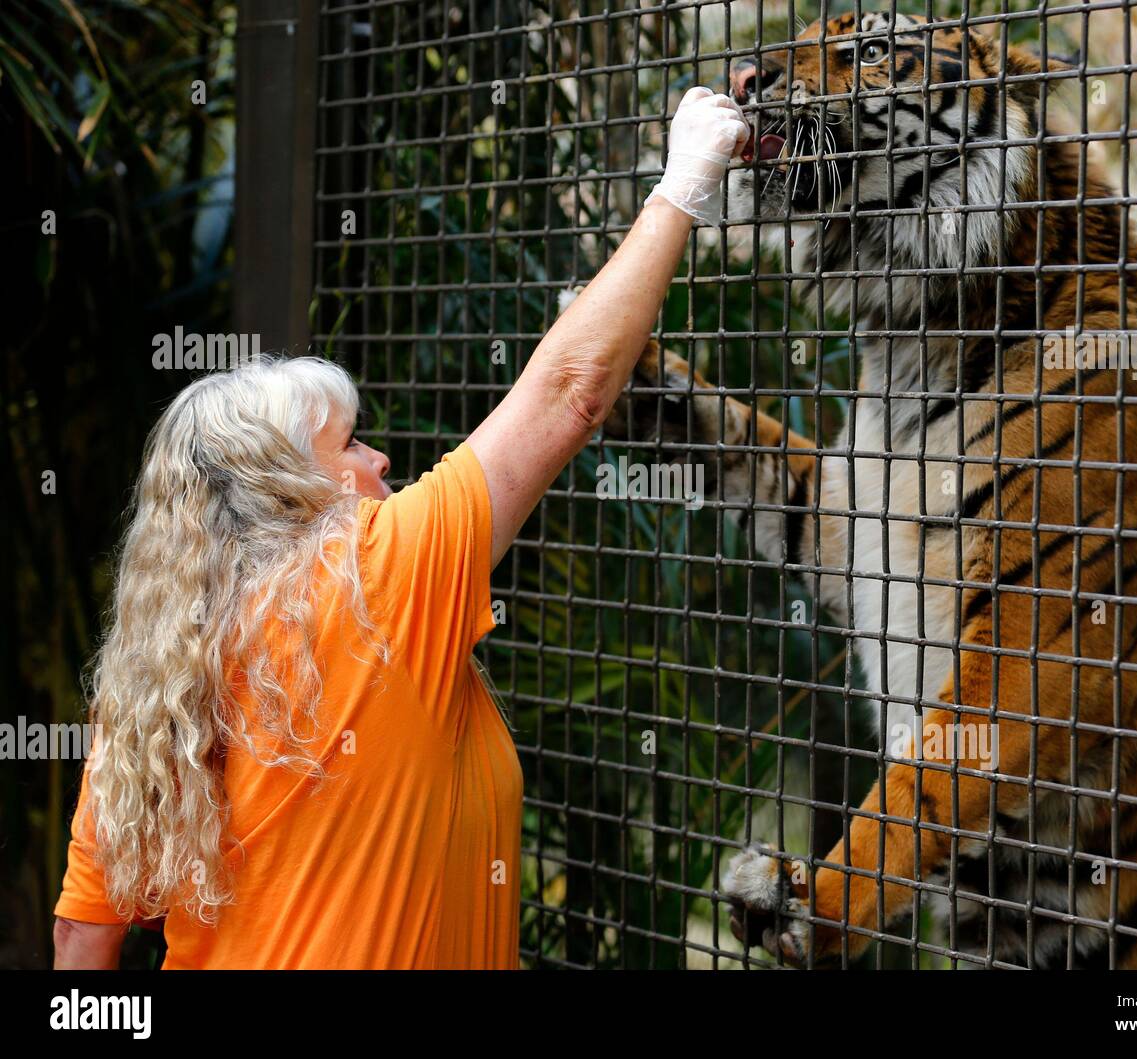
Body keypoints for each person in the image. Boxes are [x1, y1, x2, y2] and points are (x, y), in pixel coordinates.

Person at [52, 87, 749, 969]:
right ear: (289, 485)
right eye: (348, 443)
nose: (380, 460)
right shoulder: (380, 574)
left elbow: (83, 934)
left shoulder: (155, 675)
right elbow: (571, 393)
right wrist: (686, 176)